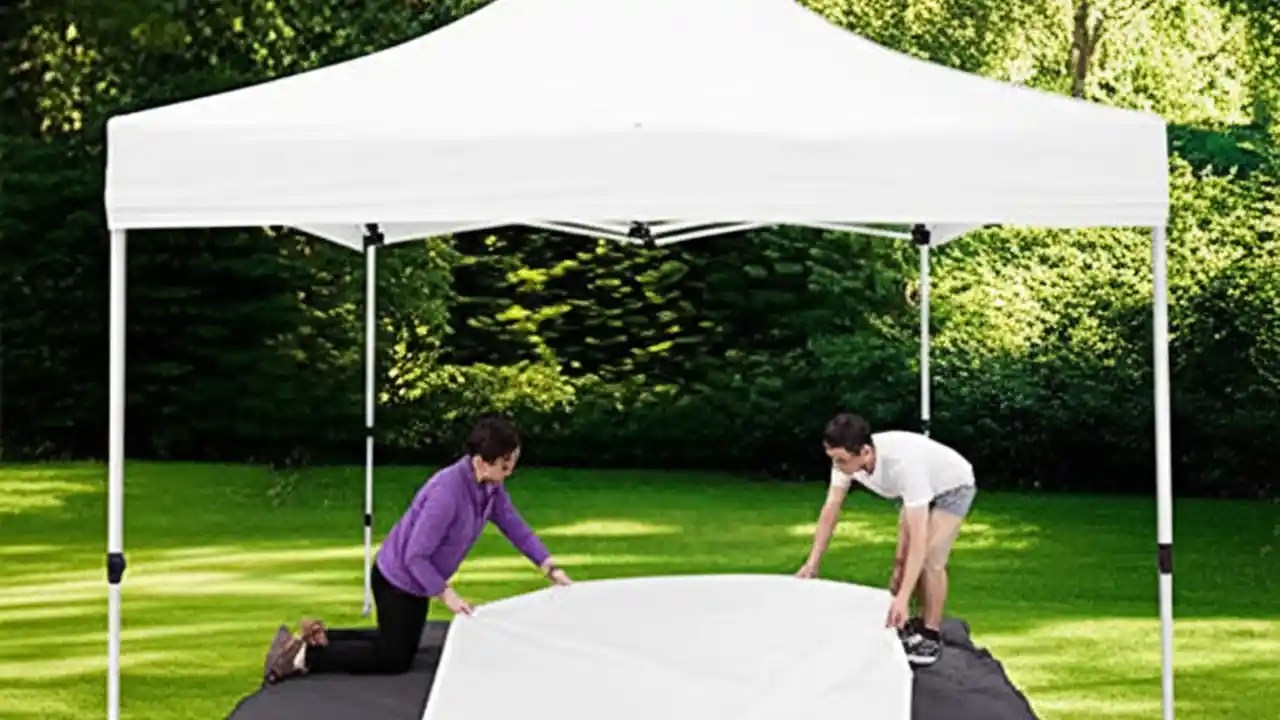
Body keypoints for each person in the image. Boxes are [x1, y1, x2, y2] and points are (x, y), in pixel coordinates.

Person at [263, 414, 572, 683]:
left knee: (399, 645)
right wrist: (446, 593)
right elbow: (415, 555)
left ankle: (316, 636)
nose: (510, 472)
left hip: (417, 583)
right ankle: (305, 656)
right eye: (505, 466)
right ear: (482, 461)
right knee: (393, 660)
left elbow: (513, 524)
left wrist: (548, 566)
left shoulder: (490, 487)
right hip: (397, 579)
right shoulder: (447, 493)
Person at [795, 413, 977, 666]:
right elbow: (831, 509)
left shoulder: (904, 464)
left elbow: (918, 538)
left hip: (953, 488)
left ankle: (931, 634)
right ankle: (902, 622)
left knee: (929, 559)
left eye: (841, 460)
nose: (837, 466)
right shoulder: (846, 460)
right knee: (900, 561)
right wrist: (812, 562)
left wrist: (902, 596)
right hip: (918, 490)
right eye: (833, 459)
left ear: (866, 452)